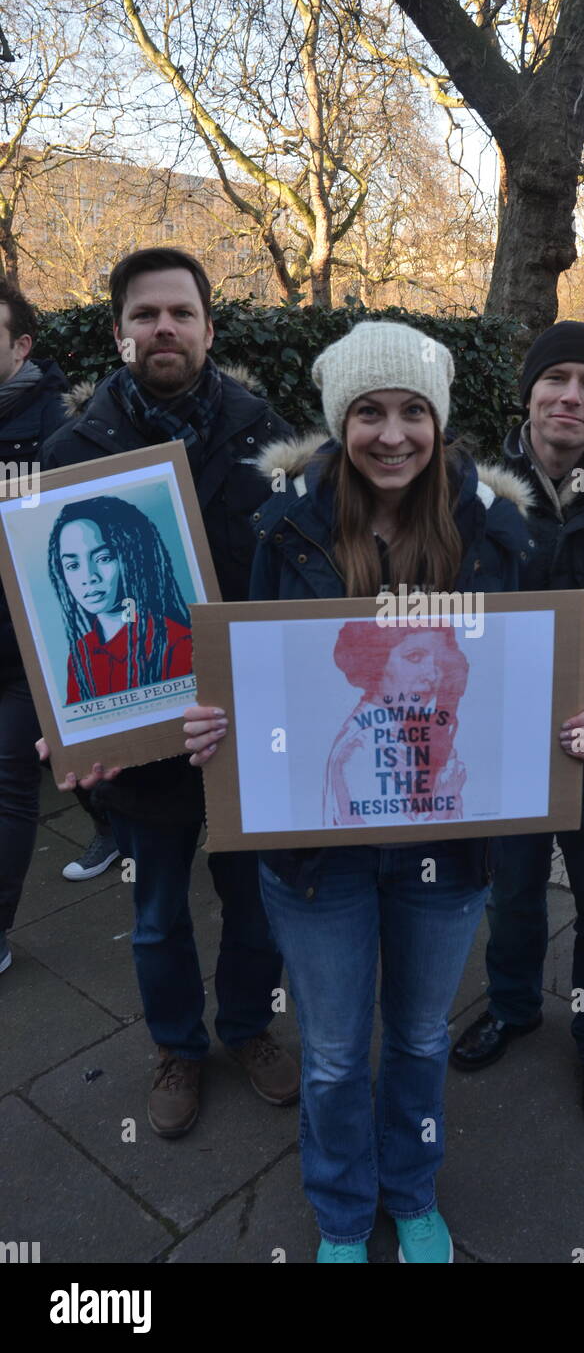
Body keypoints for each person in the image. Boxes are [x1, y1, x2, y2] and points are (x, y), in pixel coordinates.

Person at [183, 319, 584, 1262]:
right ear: (340, 421)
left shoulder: (496, 532)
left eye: (413, 411)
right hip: (316, 851)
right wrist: (216, 725)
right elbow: (250, 674)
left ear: (440, 420)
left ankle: (409, 1189)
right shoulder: (280, 522)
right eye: (368, 412)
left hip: (446, 853)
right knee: (331, 1055)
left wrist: (567, 730)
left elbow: (524, 688)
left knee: (415, 1041)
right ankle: (339, 1211)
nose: (392, 433)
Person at [39, 247, 299, 1136]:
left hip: (242, 725)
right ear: (118, 335)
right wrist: (56, 718)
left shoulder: (266, 432)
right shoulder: (72, 451)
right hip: (140, 735)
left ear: (208, 330)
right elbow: (41, 606)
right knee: (154, 918)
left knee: (254, 906)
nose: (163, 329)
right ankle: (177, 1048)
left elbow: (296, 569)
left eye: (180, 314)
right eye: (145, 316)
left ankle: (248, 1029)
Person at [450, 321, 584, 1133]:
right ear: (529, 391)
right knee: (509, 900)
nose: (570, 396)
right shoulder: (469, 496)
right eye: (556, 379)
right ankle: (511, 1008)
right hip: (501, 753)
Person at [0, 280, 71, 973]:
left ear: (21, 345)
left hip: (24, 641)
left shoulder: (57, 425)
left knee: (13, 783)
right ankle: (120, 834)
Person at [48, 496, 193, 703]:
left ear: (133, 558)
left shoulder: (178, 643)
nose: (89, 577)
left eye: (103, 558)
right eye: (73, 565)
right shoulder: (81, 654)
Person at [323, 623, 467, 826]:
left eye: (440, 661)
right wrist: (445, 800)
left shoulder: (405, 735)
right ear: (376, 663)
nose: (433, 676)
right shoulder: (362, 748)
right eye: (415, 657)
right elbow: (399, 840)